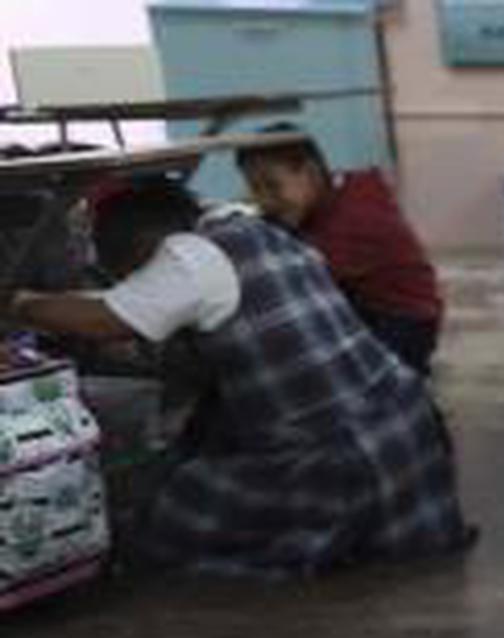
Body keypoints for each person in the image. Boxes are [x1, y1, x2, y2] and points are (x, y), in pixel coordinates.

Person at [5, 178, 470, 577]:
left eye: (128, 275)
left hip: (342, 461)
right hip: (409, 434)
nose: (133, 285)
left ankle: (327, 539)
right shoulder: (252, 229)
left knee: (163, 515)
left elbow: (105, 319)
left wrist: (19, 303)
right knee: (209, 449)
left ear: (142, 251)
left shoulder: (186, 258)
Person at [235, 127, 444, 375]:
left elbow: (294, 273)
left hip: (403, 324)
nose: (264, 201)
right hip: (390, 308)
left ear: (310, 172)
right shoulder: (340, 191)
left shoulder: (352, 222)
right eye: (255, 189)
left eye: (272, 186)